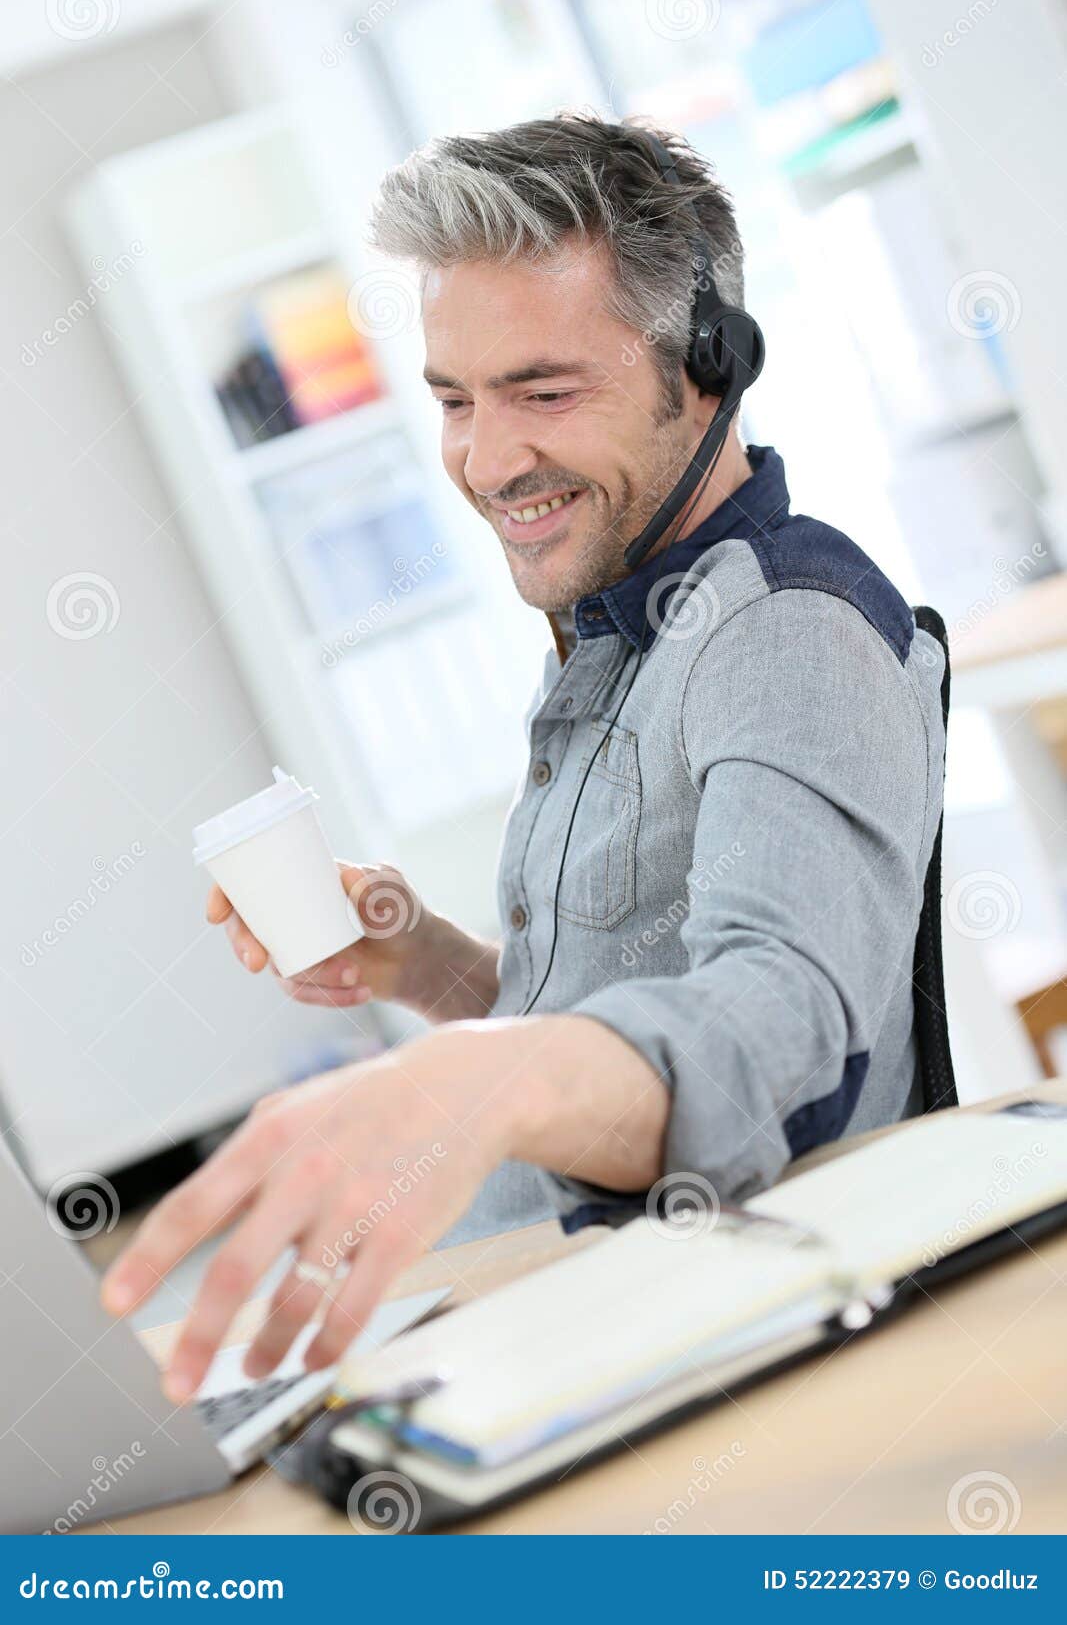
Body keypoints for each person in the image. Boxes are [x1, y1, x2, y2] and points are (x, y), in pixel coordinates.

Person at [102, 116, 945, 1403]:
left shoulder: (783, 636)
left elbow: (770, 1032)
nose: (488, 462)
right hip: (528, 1317)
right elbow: (614, 1009)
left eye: (544, 392)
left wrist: (479, 1079)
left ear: (710, 366)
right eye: (453, 400)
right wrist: (430, 968)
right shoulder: (616, 628)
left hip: (691, 1361)